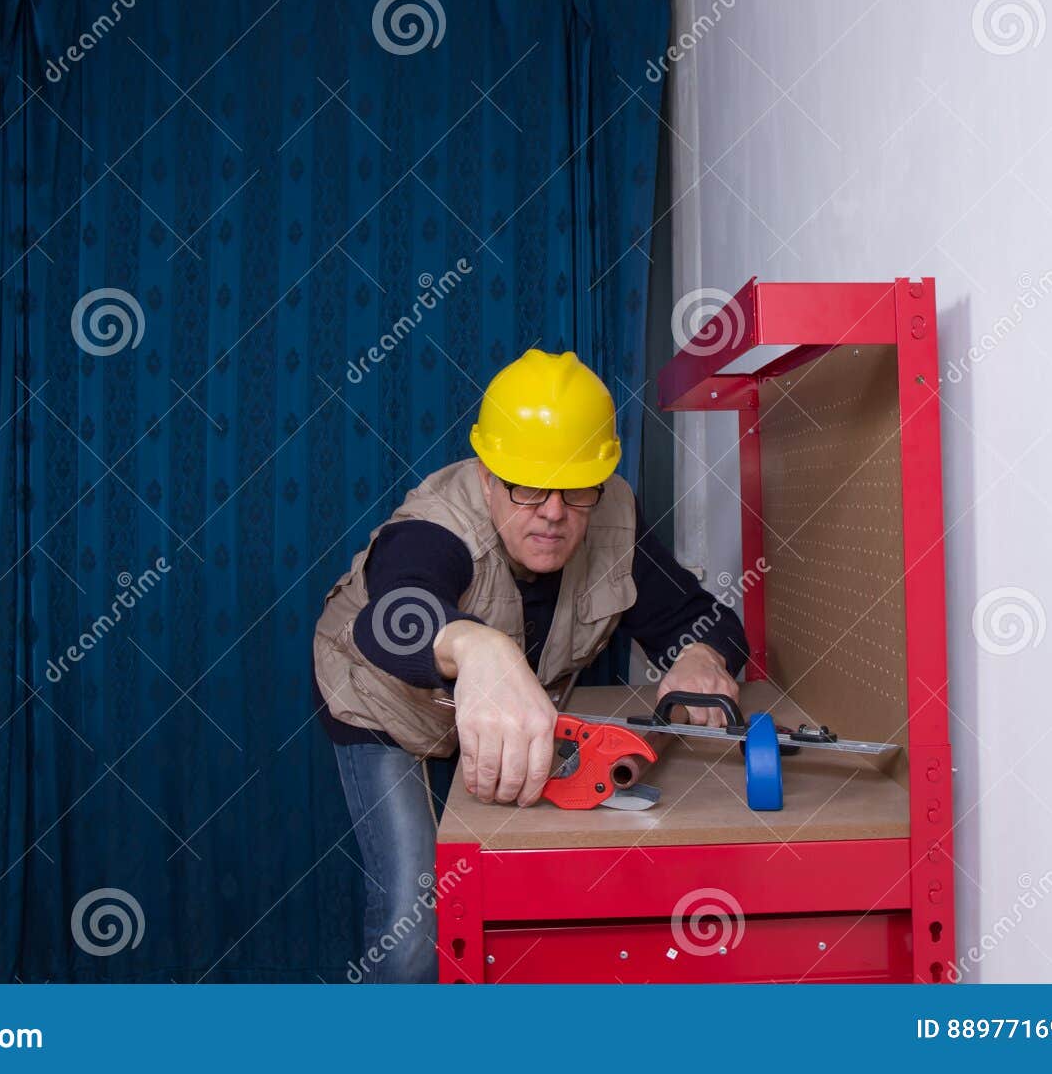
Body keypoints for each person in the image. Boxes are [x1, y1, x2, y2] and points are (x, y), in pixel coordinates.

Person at [313, 349, 749, 982]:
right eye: (527, 485)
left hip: (502, 716)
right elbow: (392, 616)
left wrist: (700, 656)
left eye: (575, 488)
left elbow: (698, 616)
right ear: (487, 476)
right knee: (415, 922)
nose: (552, 511)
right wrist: (479, 647)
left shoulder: (611, 514)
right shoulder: (437, 523)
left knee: (524, 890)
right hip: (383, 705)